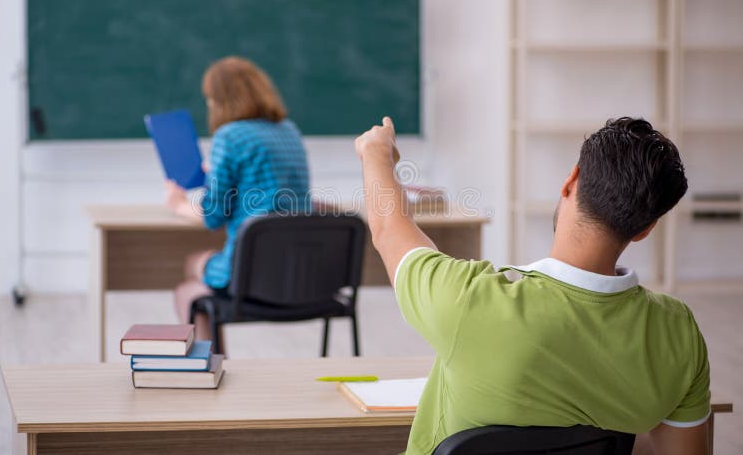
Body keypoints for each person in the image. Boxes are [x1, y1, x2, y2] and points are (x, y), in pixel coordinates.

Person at [355, 116, 710, 455]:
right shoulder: (679, 333)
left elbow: (388, 229)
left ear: (571, 181)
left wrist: (376, 152)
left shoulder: (469, 301)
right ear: (646, 228)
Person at [166, 56, 311, 348]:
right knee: (201, 273)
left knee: (191, 275)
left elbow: (213, 216)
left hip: (252, 273)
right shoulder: (289, 131)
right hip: (301, 271)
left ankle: (210, 368)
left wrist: (179, 204)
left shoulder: (228, 136)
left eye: (209, 100)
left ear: (220, 101)